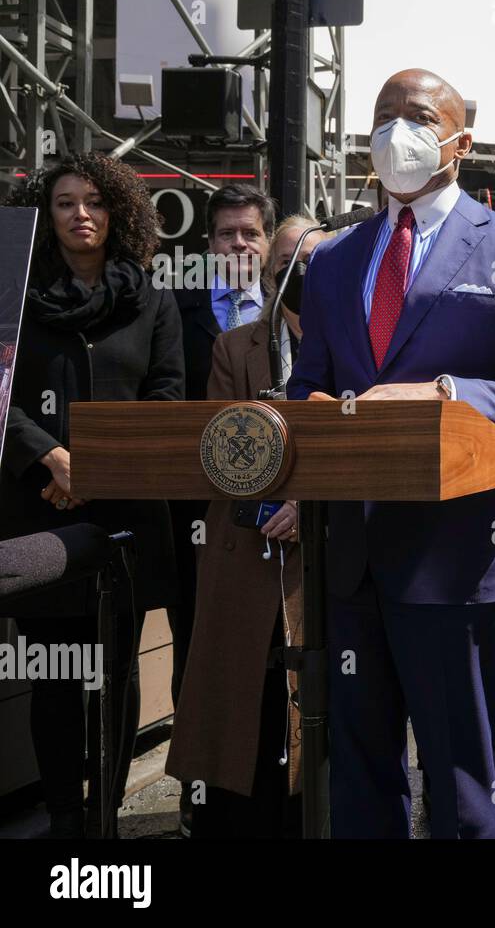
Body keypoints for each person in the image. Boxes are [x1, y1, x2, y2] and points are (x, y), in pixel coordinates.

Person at [286, 68, 495, 839]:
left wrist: (442, 393)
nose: (393, 133)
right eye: (381, 117)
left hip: (458, 562)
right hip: (350, 563)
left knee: (462, 786)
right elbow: (310, 386)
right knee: (360, 781)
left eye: (414, 116)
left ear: (459, 142)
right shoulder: (334, 261)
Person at [0, 152, 184, 837]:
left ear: (119, 213)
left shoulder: (152, 298)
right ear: (47, 218)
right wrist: (50, 459)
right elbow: (3, 395)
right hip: (35, 508)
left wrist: (95, 472)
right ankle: (65, 821)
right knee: (52, 675)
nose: (82, 214)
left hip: (124, 516)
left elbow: (165, 398)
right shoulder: (13, 295)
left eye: (96, 202)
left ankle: (105, 820)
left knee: (114, 674)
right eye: (66, 203)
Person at [165, 215, 328, 838]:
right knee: (241, 707)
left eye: (312, 263)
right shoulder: (235, 348)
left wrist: (312, 506)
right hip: (244, 549)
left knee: (317, 711)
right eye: (285, 262)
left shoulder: (362, 351)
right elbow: (228, 455)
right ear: (266, 271)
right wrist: (277, 505)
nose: (298, 274)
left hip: (324, 564)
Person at [169, 184, 275, 835]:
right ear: (208, 244)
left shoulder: (291, 317)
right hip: (199, 510)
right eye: (226, 234)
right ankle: (199, 794)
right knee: (199, 647)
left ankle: (267, 785)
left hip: (278, 517)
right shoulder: (177, 309)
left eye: (249, 234)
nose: (238, 243)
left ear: (265, 246)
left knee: (269, 651)